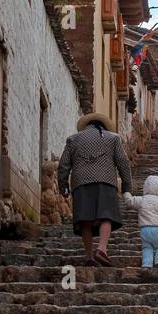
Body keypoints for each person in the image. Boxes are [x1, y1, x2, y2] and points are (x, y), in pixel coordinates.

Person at [58, 112, 133, 267]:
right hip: (105, 181)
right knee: (106, 215)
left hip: (80, 183)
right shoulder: (113, 139)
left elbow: (64, 164)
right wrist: (126, 185)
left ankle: (89, 256)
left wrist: (62, 184)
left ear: (86, 126)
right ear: (104, 127)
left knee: (85, 220)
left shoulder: (73, 139)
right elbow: (123, 162)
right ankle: (102, 249)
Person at [123, 175, 158, 269]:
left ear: (145, 187)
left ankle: (146, 264)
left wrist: (126, 193)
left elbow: (130, 202)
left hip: (145, 229)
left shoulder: (142, 200)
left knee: (147, 248)